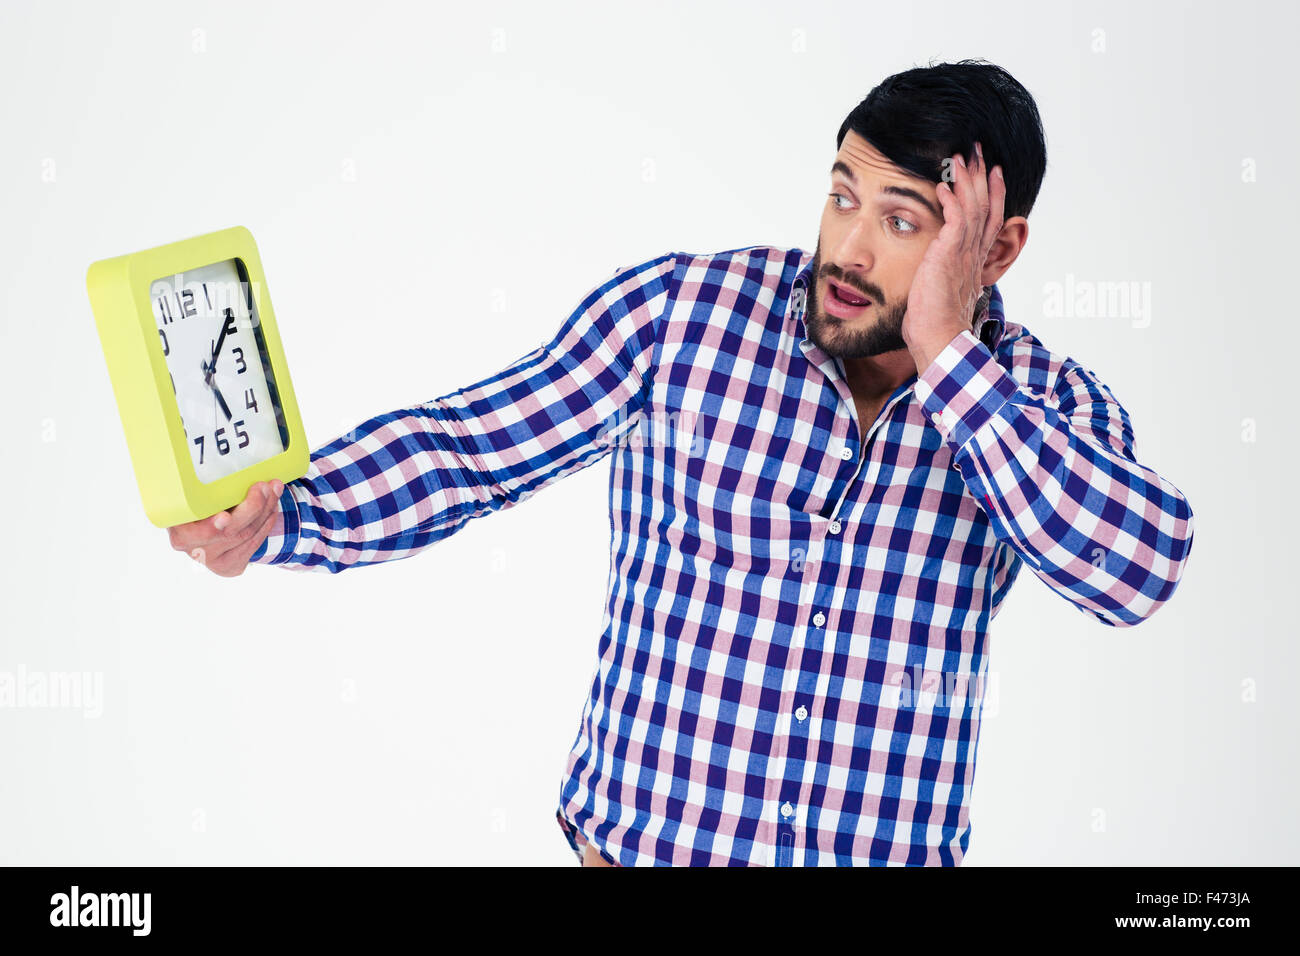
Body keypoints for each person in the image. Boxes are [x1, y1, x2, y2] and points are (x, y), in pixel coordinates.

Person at [167, 59, 1195, 867]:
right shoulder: (682, 317)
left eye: (900, 222)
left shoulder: (1035, 405)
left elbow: (1136, 569)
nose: (848, 249)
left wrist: (948, 358)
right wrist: (287, 517)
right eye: (843, 196)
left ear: (997, 248)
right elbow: (472, 443)